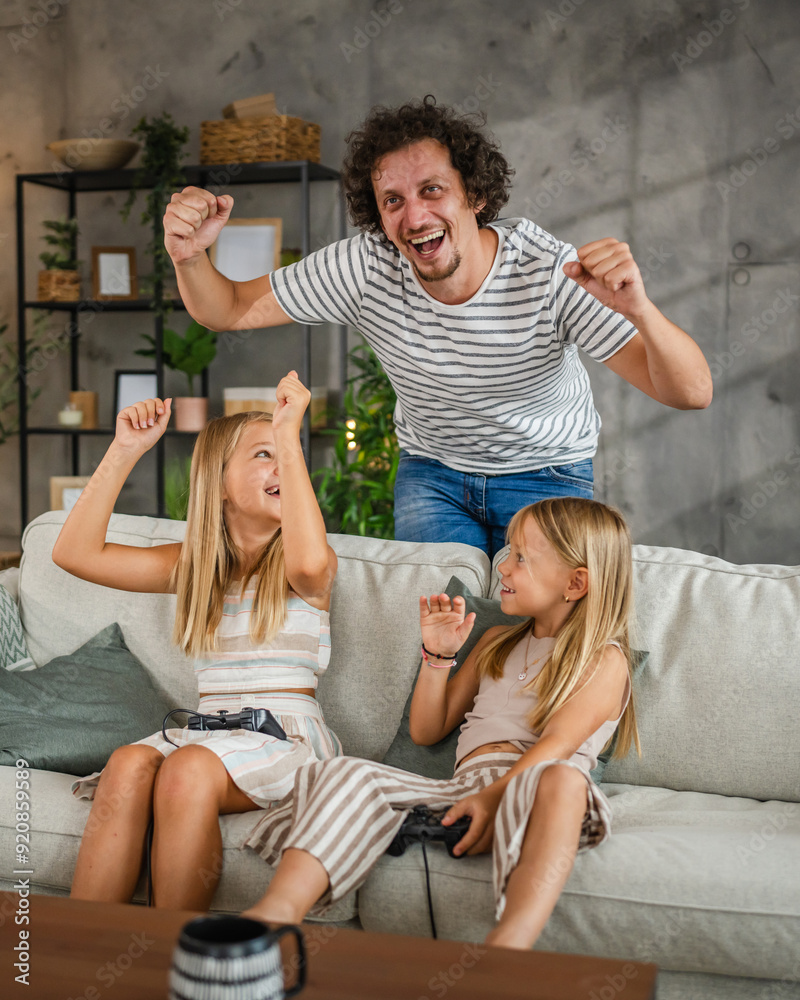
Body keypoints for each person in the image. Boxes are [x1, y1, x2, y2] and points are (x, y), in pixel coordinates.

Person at [163, 96, 712, 561]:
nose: (415, 217)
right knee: (440, 642)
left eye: (432, 190)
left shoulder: (548, 272)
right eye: (393, 201)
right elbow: (228, 308)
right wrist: (189, 256)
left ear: (475, 196)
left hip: (545, 474)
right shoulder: (366, 265)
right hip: (434, 477)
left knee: (539, 642)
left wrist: (639, 309)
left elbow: (691, 393)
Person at [240, 496, 639, 950]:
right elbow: (427, 732)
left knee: (562, 780)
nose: (504, 568)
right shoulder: (496, 642)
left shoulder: (603, 659)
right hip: (462, 784)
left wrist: (493, 797)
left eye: (521, 558)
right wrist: (439, 655)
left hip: (534, 786)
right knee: (343, 771)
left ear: (576, 582)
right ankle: (276, 914)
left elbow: (558, 744)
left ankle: (510, 944)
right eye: (507, 553)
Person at [52, 371, 341, 910]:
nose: (280, 461)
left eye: (286, 451)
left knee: (186, 769)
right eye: (263, 454)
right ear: (219, 480)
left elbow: (308, 557)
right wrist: (124, 449)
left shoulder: (306, 569)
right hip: (209, 737)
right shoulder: (192, 566)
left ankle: (174, 959)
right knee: (127, 763)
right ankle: (81, 952)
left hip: (286, 739)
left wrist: (287, 438)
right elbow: (73, 554)